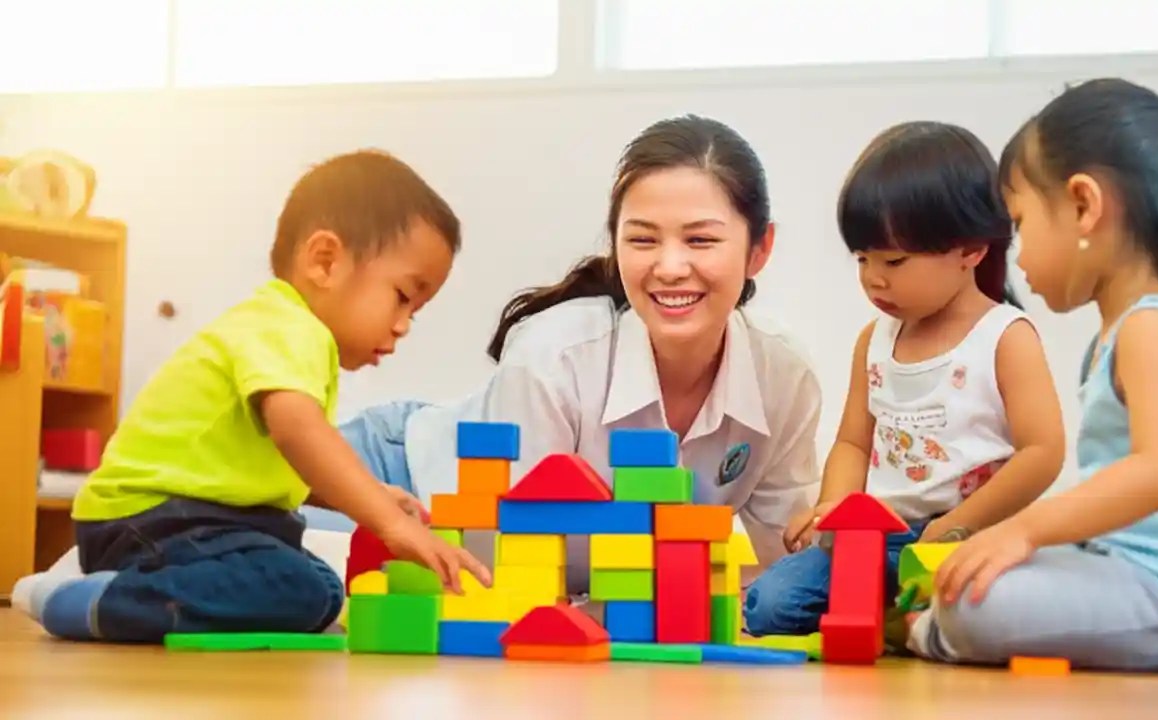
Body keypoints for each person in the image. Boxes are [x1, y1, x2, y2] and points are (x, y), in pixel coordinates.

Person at [338, 115, 823, 593]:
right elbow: (504, 563)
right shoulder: (555, 357)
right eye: (642, 239)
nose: (670, 267)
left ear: (760, 248)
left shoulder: (782, 377)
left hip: (525, 583)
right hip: (395, 485)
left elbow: (787, 566)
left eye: (700, 240)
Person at [26, 150, 491, 643]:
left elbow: (272, 456)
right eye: (402, 296)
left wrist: (369, 494)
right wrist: (386, 520)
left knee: (319, 586)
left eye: (416, 311)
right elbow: (298, 432)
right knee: (302, 589)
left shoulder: (291, 334)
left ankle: (122, 590)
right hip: (155, 516)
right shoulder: (287, 327)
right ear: (325, 261)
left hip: (193, 518)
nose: (403, 326)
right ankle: (98, 603)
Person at [910, 78, 1158, 672]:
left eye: (1021, 224)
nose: (1018, 256)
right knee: (968, 572)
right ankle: (939, 621)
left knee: (977, 602)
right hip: (1134, 576)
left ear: (1084, 205)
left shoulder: (1152, 330)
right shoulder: (1132, 328)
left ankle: (938, 634)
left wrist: (1025, 529)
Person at [742, 121, 1066, 639]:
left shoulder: (1005, 336)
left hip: (968, 531)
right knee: (767, 606)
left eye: (893, 260)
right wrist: (836, 506)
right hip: (875, 537)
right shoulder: (874, 340)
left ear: (971, 250)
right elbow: (852, 440)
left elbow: (1043, 452)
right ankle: (899, 618)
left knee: (989, 615)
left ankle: (901, 618)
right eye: (862, 259)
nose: (873, 277)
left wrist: (953, 529)